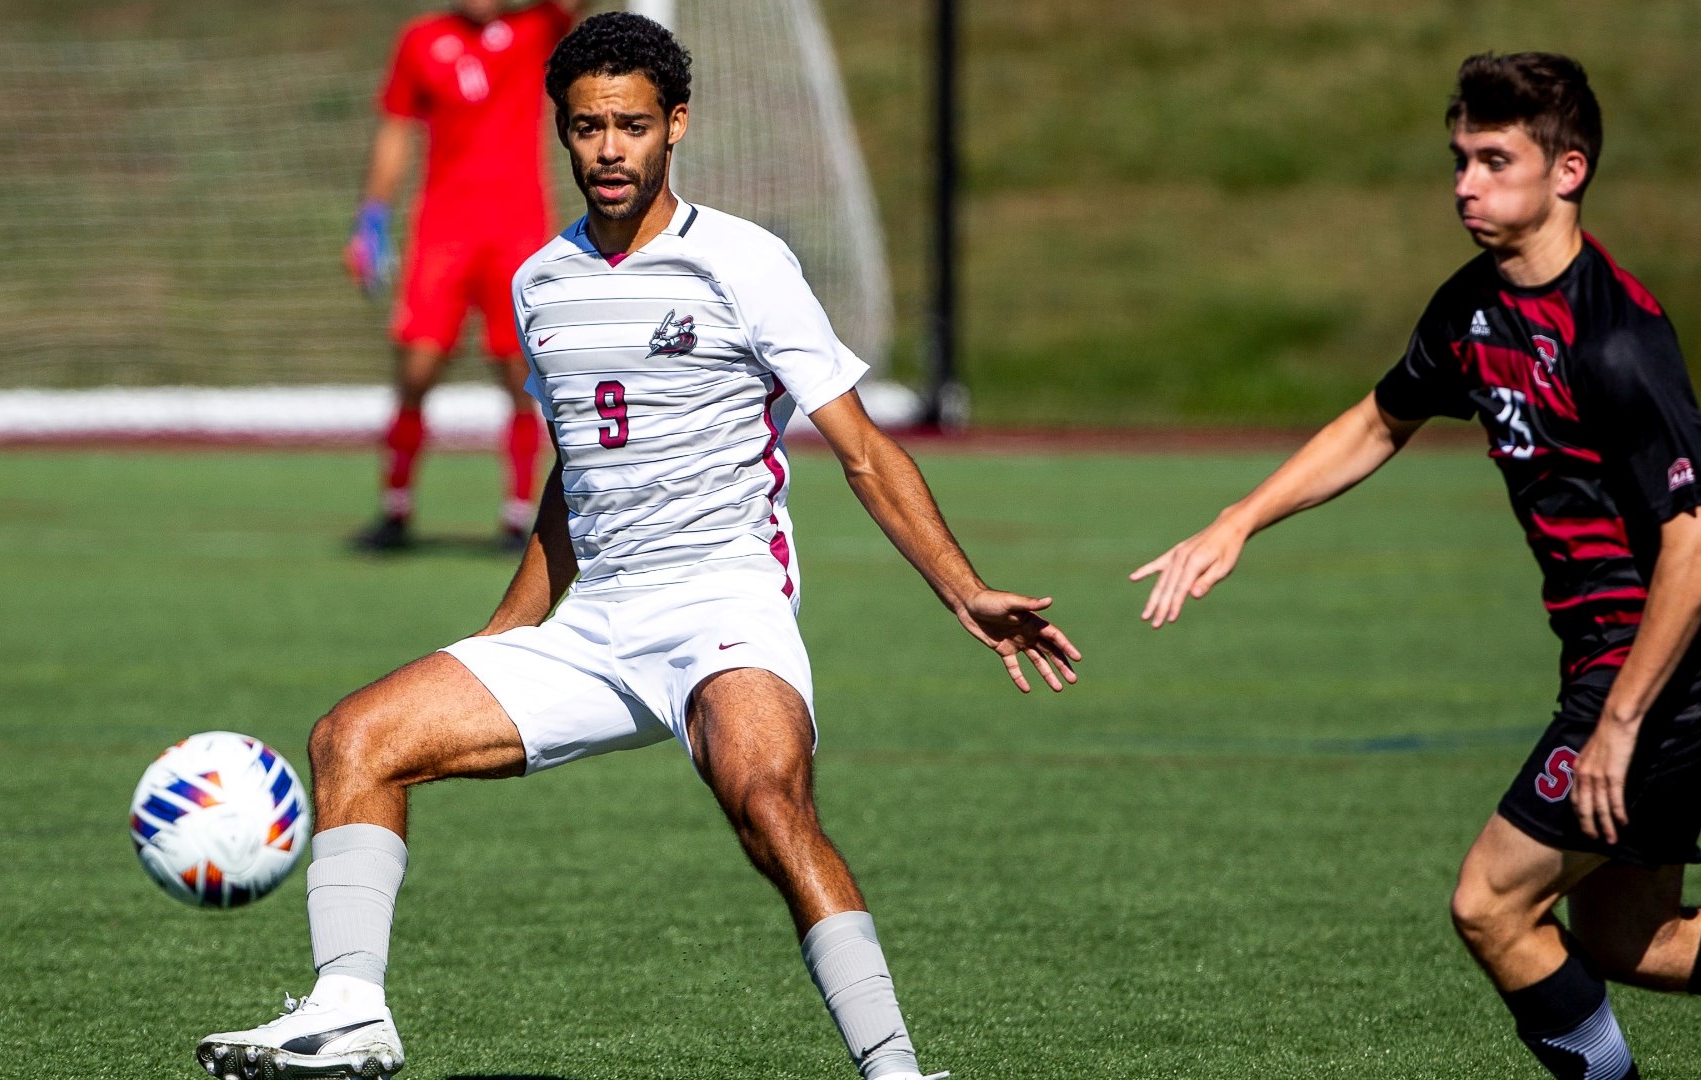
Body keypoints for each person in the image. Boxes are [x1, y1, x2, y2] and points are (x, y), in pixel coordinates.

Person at [199, 13, 1081, 1080]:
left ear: (676, 126)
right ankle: (348, 1015)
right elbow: (576, 481)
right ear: (561, 135)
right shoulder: (542, 286)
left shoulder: (742, 263)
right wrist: (499, 648)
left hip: (725, 608)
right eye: (585, 129)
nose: (608, 150)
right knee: (353, 739)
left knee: (766, 802)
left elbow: (860, 451)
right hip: (599, 622)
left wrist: (964, 589)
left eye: (629, 125)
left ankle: (896, 1072)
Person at [1132, 53, 1701, 1080]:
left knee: (1489, 904)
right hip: (1605, 669)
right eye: (1458, 160)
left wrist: (1620, 720)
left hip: (1655, 675)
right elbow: (1379, 419)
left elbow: (1694, 544)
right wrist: (1239, 519)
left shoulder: (1616, 340)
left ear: (1566, 171)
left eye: (1493, 161)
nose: (1464, 186)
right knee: (1627, 941)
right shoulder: (1472, 309)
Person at [345, 0, 585, 553]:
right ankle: (396, 508)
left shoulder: (536, 28)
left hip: (518, 232)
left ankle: (518, 514)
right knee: (417, 368)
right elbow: (395, 130)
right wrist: (371, 218)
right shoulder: (421, 40)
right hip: (442, 233)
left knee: (521, 371)